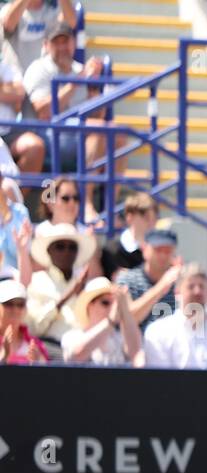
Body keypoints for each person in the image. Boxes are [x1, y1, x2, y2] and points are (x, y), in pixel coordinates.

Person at [23, 20, 105, 177]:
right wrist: (77, 82)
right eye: (56, 42)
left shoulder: (80, 70)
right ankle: (85, 192)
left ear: (73, 43)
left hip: (76, 135)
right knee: (99, 129)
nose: (62, 47)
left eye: (65, 41)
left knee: (118, 136)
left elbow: (96, 116)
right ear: (46, 45)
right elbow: (44, 112)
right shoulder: (38, 69)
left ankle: (100, 192)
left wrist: (94, 87)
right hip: (47, 137)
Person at [142, 262, 207, 370]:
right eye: (191, 286)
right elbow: (159, 378)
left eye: (202, 286)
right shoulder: (157, 333)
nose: (197, 292)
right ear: (177, 292)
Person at [26, 219, 94, 349]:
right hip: (51, 349)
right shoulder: (37, 282)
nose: (67, 252)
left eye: (72, 247)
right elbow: (34, 327)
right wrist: (68, 295)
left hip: (83, 349)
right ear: (49, 251)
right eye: (60, 247)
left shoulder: (85, 285)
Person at [61, 274, 143, 366]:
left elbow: (137, 357)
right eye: (106, 302)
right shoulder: (72, 336)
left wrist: (124, 309)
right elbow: (77, 355)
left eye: (114, 303)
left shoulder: (119, 337)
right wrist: (111, 321)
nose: (112, 308)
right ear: (89, 306)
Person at [115, 226, 183, 332]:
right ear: (144, 249)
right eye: (158, 250)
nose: (163, 255)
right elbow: (127, 319)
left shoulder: (179, 282)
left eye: (168, 251)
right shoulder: (127, 279)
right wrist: (162, 286)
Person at [100, 192, 157, 279]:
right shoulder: (112, 249)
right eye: (146, 217)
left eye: (154, 218)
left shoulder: (159, 249)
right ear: (130, 217)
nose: (151, 222)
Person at [0, 276, 43, 363]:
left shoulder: (34, 344)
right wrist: (4, 357)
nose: (15, 310)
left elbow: (47, 370)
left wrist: (37, 363)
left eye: (20, 304)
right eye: (9, 304)